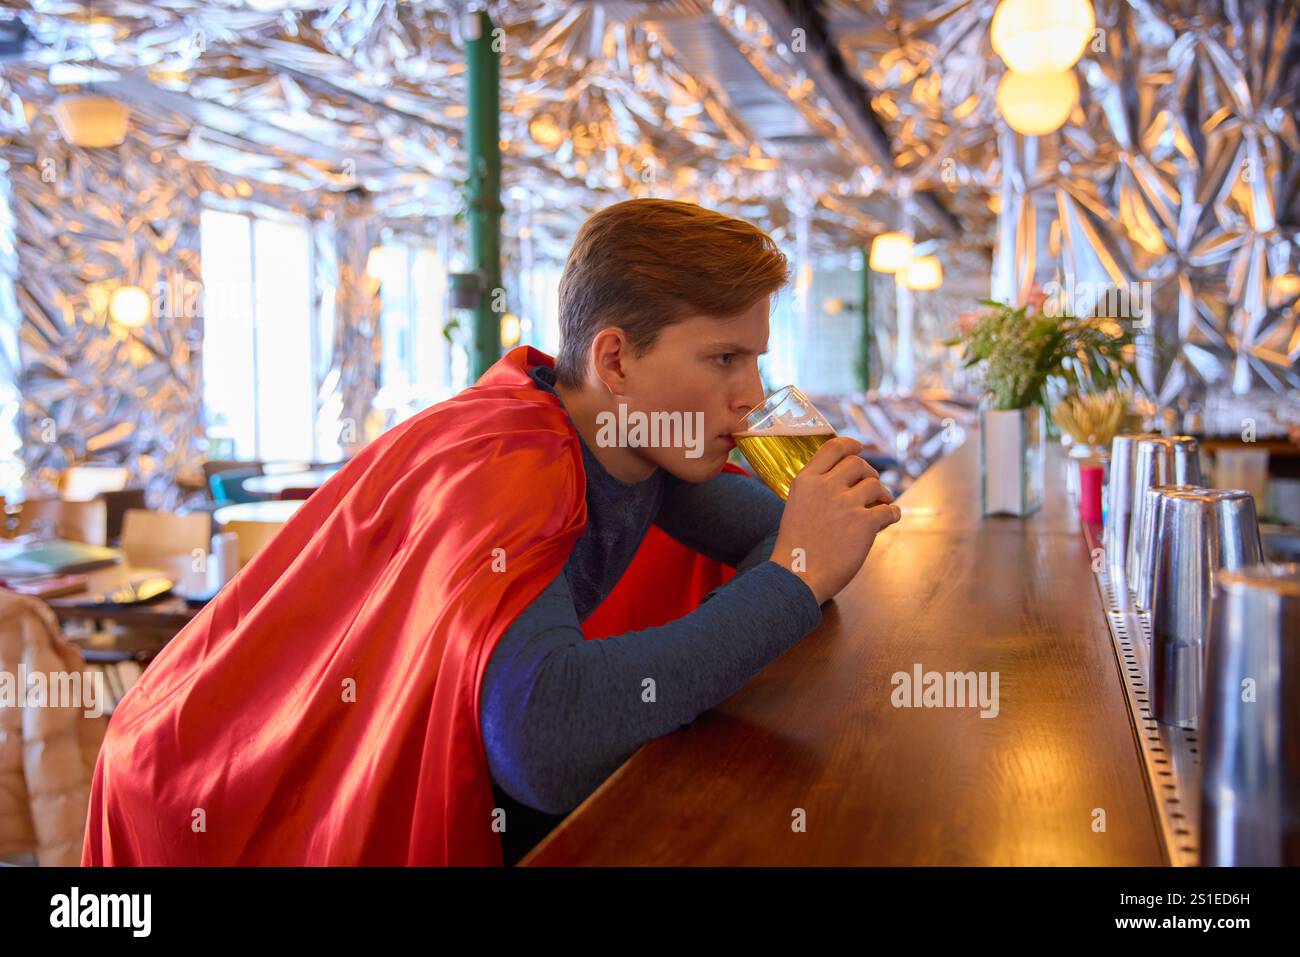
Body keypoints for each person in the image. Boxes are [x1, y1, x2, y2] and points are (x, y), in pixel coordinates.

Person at [82, 198, 900, 866]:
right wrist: (793, 578)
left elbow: (794, 542)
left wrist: (804, 548)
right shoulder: (515, 461)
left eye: (755, 360)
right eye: (724, 359)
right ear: (615, 362)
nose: (749, 394)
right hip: (209, 779)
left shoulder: (630, 441)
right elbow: (543, 738)